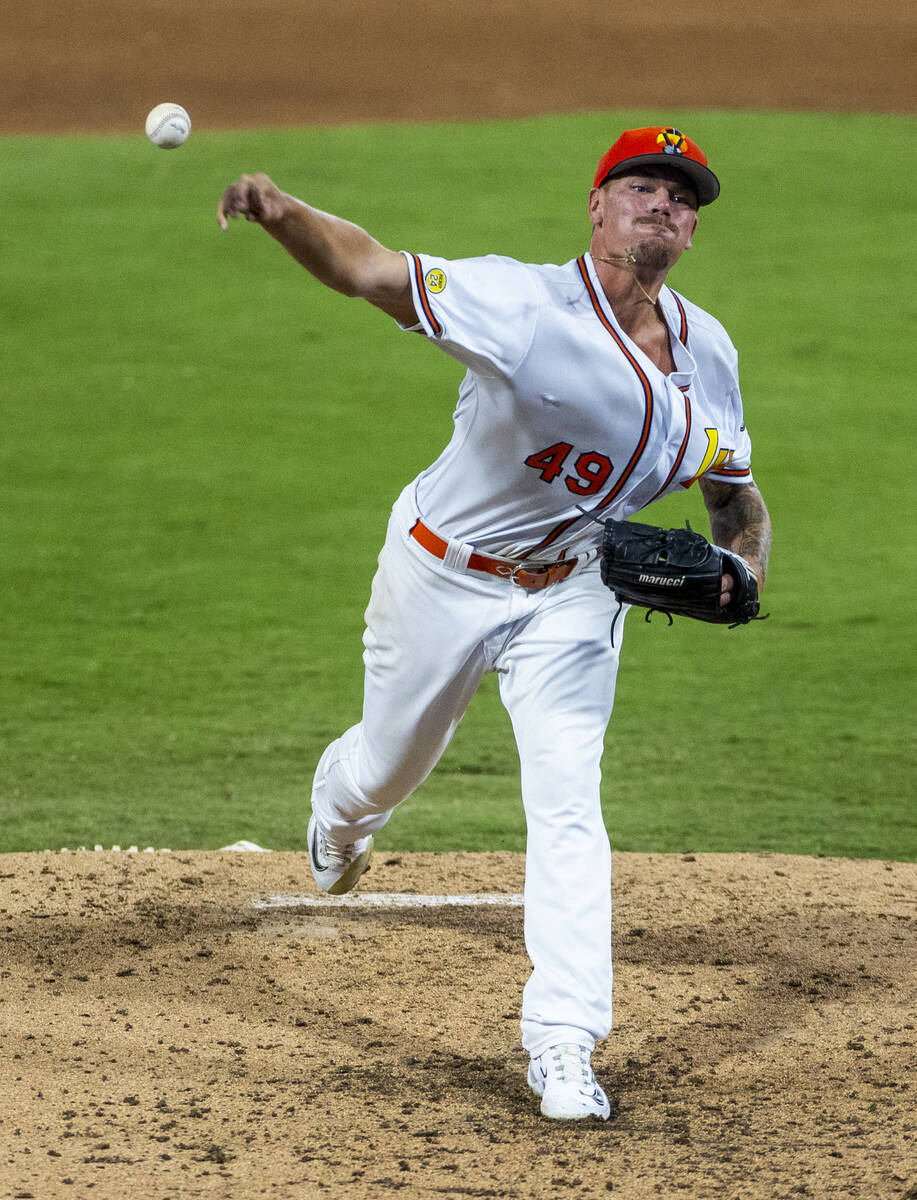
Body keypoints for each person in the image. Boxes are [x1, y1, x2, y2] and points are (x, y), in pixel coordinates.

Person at [217, 125, 772, 1121]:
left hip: (573, 594)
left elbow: (735, 497)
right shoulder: (522, 305)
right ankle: (338, 819)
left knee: (566, 796)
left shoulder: (708, 351)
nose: (660, 205)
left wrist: (743, 572)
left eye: (679, 197)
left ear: (690, 229)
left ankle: (563, 1044)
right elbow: (371, 273)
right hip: (440, 575)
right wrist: (279, 210)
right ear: (595, 207)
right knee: (380, 770)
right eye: (638, 186)